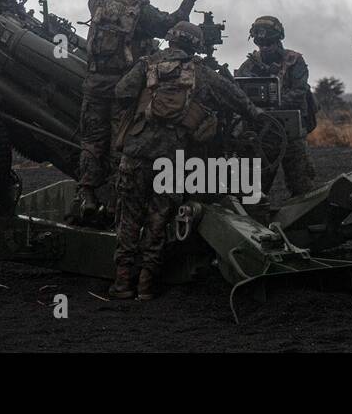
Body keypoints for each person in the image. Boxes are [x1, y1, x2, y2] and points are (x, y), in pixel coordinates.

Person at [108, 21, 280, 300]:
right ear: (194, 46)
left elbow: (120, 92)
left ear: (170, 40)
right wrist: (257, 115)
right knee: (158, 220)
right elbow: (235, 97)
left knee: (128, 219)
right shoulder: (201, 73)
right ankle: (145, 286)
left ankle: (122, 283)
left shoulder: (146, 65)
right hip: (171, 160)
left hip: (136, 153)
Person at [74, 0, 205, 223]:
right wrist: (189, 0)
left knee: (91, 141)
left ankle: (86, 194)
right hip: (123, 86)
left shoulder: (96, 1)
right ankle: (113, 204)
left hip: (94, 83)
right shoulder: (139, 11)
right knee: (119, 143)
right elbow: (170, 24)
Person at [236, 16, 317, 197]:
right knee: (253, 190)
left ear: (278, 39)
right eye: (260, 43)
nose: (264, 47)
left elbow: (299, 92)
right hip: (262, 134)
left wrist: (272, 106)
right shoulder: (249, 65)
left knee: (302, 186)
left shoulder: (294, 61)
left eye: (269, 42)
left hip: (291, 133)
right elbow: (239, 93)